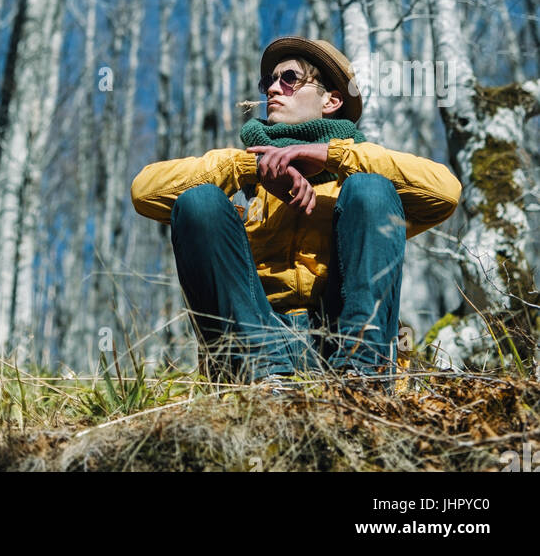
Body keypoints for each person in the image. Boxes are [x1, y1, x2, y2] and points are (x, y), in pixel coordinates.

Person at [130, 36, 462, 386]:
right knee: (198, 202)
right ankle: (261, 380)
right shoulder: (243, 174)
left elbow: (445, 191)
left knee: (372, 188)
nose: (273, 88)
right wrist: (253, 167)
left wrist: (333, 156)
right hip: (256, 343)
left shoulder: (358, 178)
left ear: (331, 100)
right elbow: (145, 190)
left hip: (338, 341)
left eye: (289, 78)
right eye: (268, 81)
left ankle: (363, 377)